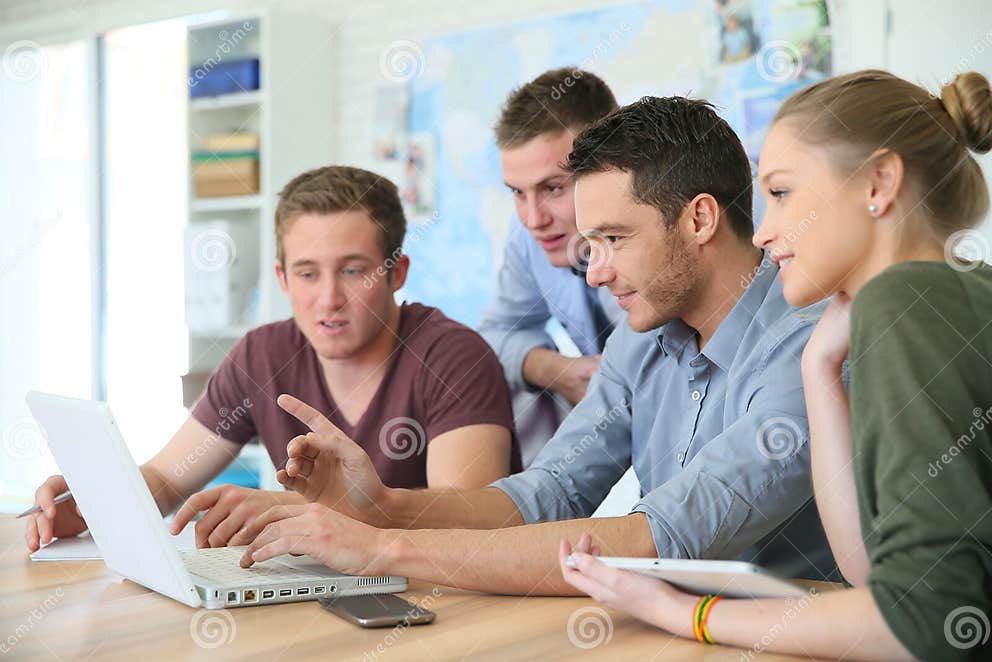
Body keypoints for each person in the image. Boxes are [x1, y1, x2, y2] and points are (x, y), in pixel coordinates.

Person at [225, 96, 834, 595]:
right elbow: (547, 495)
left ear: (699, 220)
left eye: (616, 239)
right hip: (682, 628)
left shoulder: (804, 345)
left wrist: (383, 548)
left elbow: (659, 538)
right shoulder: (642, 336)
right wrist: (382, 505)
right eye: (591, 243)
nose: (594, 274)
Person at [560, 70, 992, 661]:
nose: (763, 230)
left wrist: (685, 613)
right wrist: (819, 367)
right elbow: (874, 577)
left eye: (782, 193)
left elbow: (925, 621)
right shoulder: (940, 298)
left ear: (880, 182)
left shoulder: (908, 303)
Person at [26, 166, 519, 553]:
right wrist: (95, 501)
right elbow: (165, 479)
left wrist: (283, 508)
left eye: (353, 271)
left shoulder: (455, 356)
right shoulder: (262, 354)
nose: (329, 298)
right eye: (307, 274)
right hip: (315, 595)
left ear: (396, 273)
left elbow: (471, 516)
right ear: (283, 280)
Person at [478, 68, 624, 465]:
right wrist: (556, 369)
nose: (532, 218)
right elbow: (493, 334)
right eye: (517, 193)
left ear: (614, 162)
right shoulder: (530, 234)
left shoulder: (665, 240)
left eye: (553, 188)